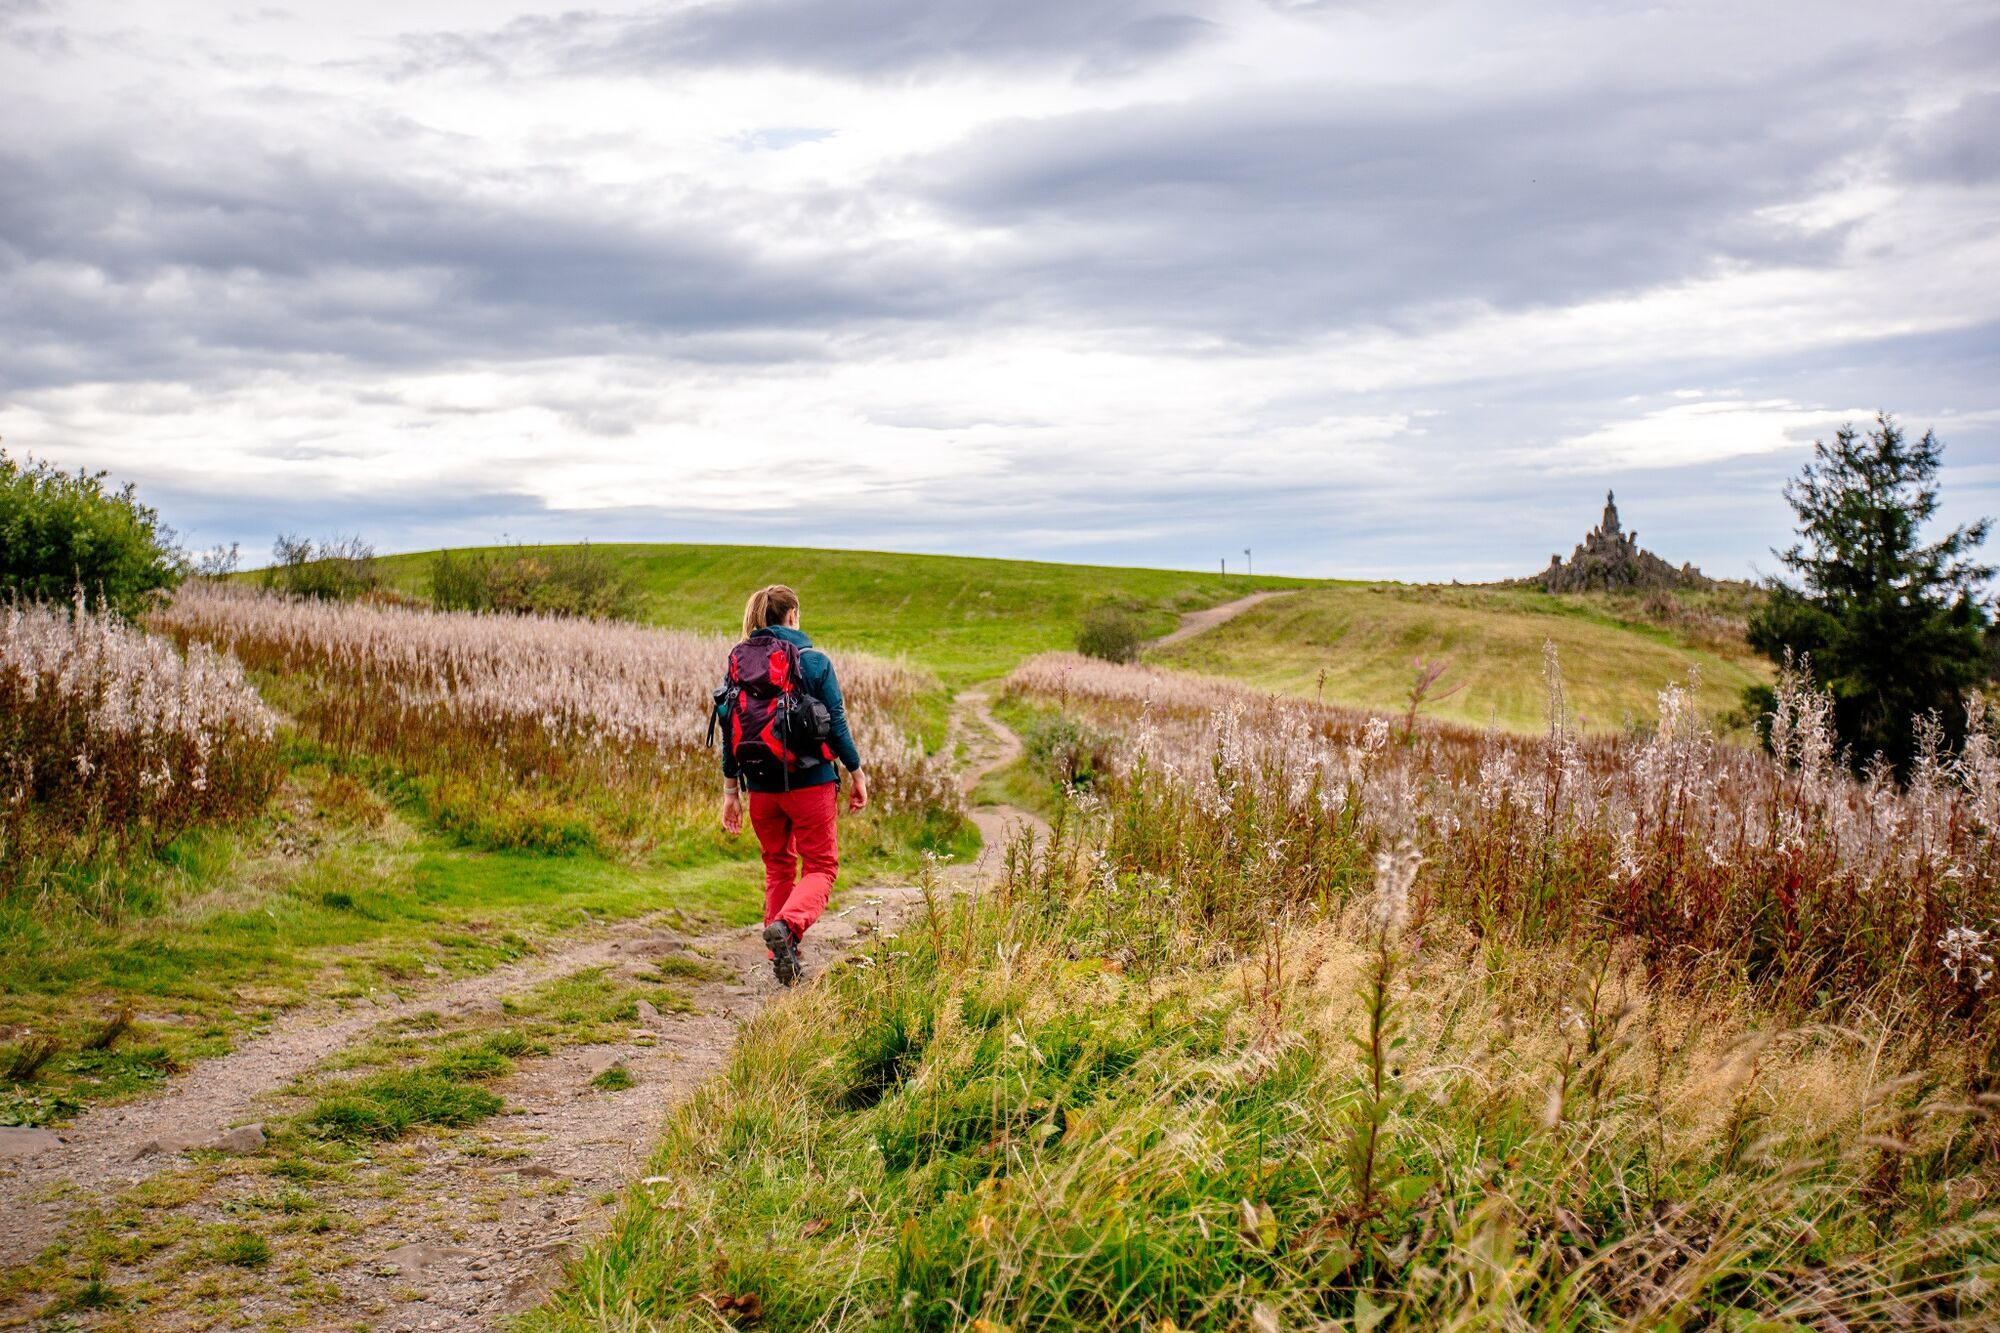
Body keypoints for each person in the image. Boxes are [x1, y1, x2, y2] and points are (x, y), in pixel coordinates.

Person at [719, 585, 867, 985]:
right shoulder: (815, 662)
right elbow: (835, 724)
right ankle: (786, 928)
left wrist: (731, 792)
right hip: (809, 785)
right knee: (820, 866)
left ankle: (781, 953)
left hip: (760, 788)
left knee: (777, 864)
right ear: (792, 616)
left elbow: (728, 721)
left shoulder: (739, 661)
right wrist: (856, 772)